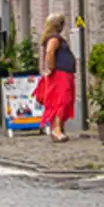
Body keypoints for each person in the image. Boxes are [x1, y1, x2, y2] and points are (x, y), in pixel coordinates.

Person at [39, 14, 76, 143]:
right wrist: (52, 67)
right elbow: (50, 52)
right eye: (62, 23)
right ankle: (57, 129)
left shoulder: (55, 38)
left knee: (63, 100)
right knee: (61, 101)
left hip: (64, 73)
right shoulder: (54, 39)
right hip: (60, 74)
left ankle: (59, 128)